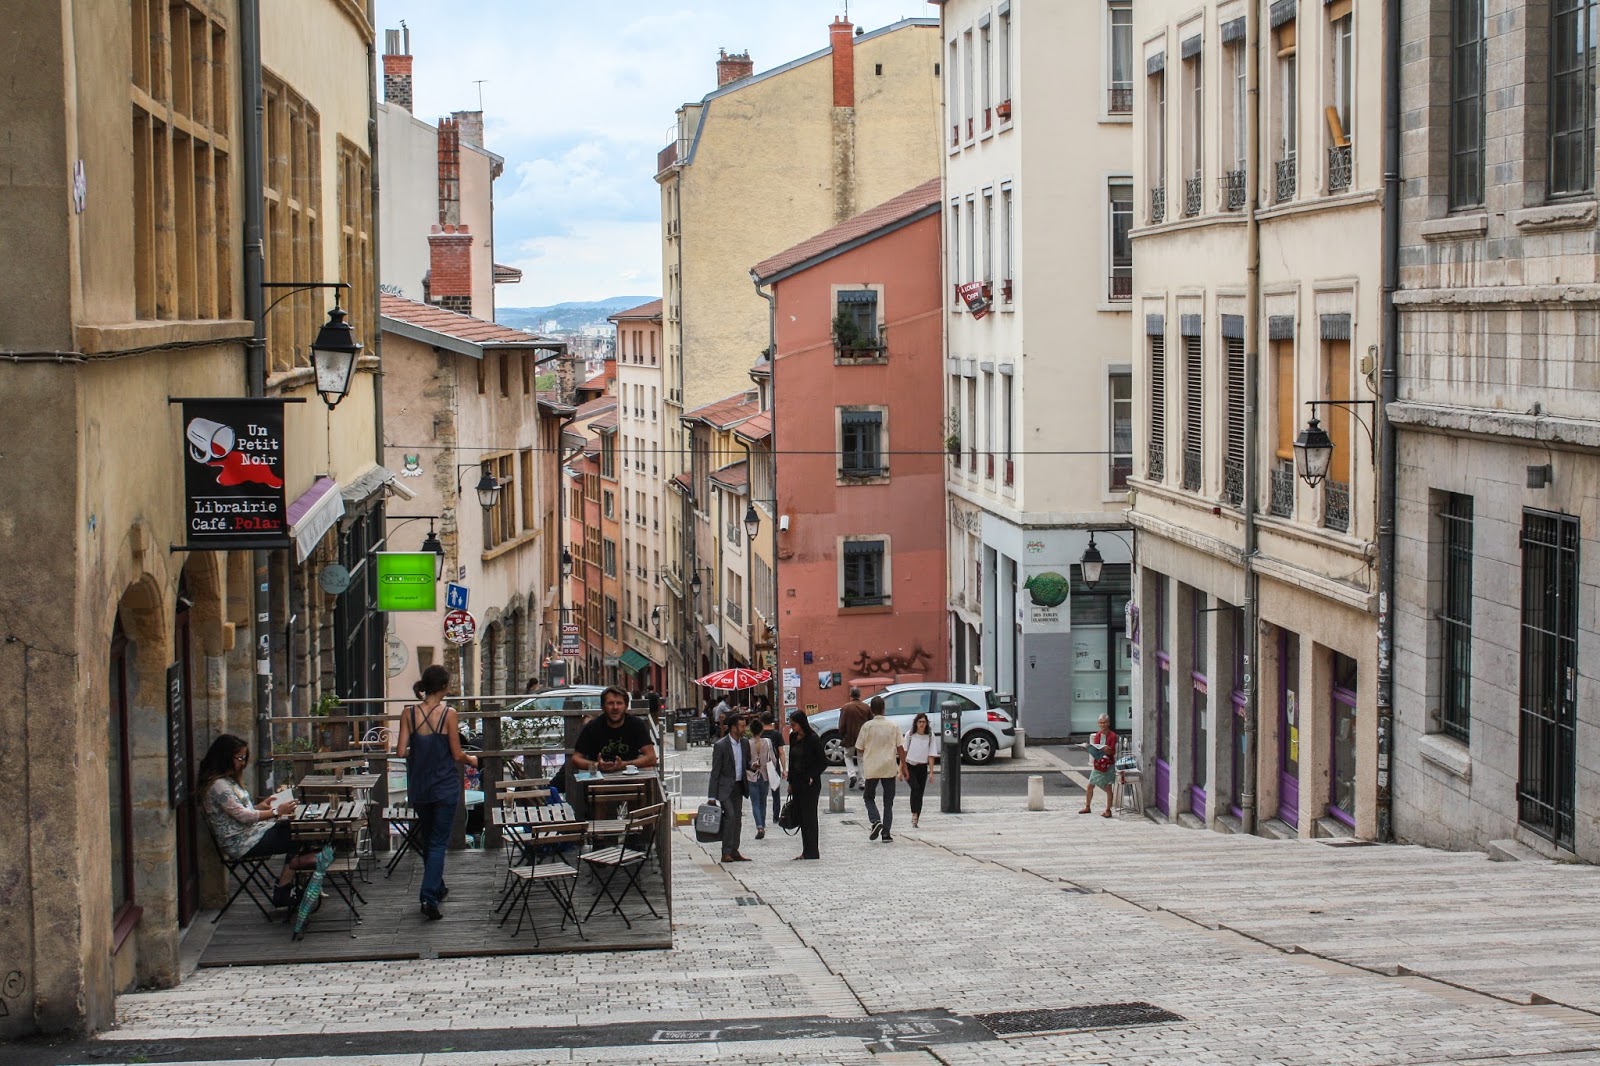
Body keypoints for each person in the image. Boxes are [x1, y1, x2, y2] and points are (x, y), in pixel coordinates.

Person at [198, 734, 318, 908]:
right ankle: (284, 890)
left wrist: (260, 807)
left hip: (250, 834)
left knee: (297, 832)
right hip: (241, 842)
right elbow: (243, 817)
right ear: (225, 757)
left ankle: (288, 887)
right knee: (297, 836)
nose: (243, 763)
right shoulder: (219, 786)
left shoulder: (226, 781)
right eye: (240, 758)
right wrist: (276, 811)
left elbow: (241, 812)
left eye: (244, 758)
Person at [397, 665, 479, 920]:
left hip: (420, 786)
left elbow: (400, 752)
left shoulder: (408, 713)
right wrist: (472, 759)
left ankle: (438, 886)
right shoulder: (449, 714)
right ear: (444, 687)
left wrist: (419, 753)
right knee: (438, 843)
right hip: (444, 785)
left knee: (430, 839)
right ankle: (428, 896)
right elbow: (456, 753)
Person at [570, 687, 658, 773]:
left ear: (626, 706)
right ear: (603, 706)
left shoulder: (636, 724)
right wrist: (597, 765)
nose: (615, 707)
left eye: (619, 703)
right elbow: (576, 759)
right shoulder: (593, 726)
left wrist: (624, 765)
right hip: (598, 781)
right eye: (610, 703)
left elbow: (651, 757)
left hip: (631, 779)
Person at [855, 695, 905, 842]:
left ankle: (876, 821)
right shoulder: (893, 725)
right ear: (884, 709)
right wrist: (904, 766)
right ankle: (886, 834)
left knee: (868, 796)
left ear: (871, 710)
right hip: (889, 766)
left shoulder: (867, 727)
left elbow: (859, 748)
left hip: (872, 767)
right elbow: (900, 747)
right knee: (888, 801)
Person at [708, 712, 751, 862]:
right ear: (733, 728)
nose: (744, 728)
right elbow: (715, 772)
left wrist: (753, 766)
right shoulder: (721, 746)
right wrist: (711, 796)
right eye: (742, 726)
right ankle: (725, 851)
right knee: (730, 816)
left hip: (739, 785)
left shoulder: (745, 743)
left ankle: (734, 850)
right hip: (724, 788)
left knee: (737, 818)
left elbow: (746, 763)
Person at [785, 710, 824, 860]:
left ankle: (812, 851)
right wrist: (790, 782)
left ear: (801, 724)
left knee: (810, 817)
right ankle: (805, 850)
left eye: (794, 725)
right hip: (797, 782)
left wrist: (812, 775)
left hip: (810, 784)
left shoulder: (813, 739)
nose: (792, 727)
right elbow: (791, 760)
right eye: (791, 724)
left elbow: (822, 761)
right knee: (801, 816)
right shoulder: (793, 737)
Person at [902, 711, 939, 829]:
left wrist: (932, 772)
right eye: (920, 722)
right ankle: (913, 812)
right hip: (910, 766)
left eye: (924, 722)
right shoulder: (910, 734)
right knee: (915, 788)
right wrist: (900, 769)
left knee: (920, 792)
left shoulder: (930, 736)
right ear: (916, 723)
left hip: (922, 767)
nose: (922, 724)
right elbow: (904, 752)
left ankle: (917, 817)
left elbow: (931, 754)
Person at [746, 717, 780, 840]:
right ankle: (763, 825)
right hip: (765, 774)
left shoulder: (748, 743)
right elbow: (773, 758)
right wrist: (772, 768)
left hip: (752, 775)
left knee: (755, 803)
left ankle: (759, 826)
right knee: (763, 801)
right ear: (761, 730)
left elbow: (746, 759)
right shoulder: (767, 742)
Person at [1082, 714, 1118, 818]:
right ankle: (1087, 806)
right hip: (1098, 763)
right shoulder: (1098, 735)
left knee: (1107, 787)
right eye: (1100, 723)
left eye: (1104, 722)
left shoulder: (1112, 735)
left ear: (1108, 723)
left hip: (1108, 764)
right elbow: (1096, 748)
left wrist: (1107, 750)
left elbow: (1112, 751)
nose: (1102, 725)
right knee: (1090, 785)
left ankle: (1108, 810)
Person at [837, 687, 871, 789]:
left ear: (851, 695)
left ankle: (852, 775)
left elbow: (842, 724)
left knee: (848, 756)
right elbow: (870, 722)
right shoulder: (866, 707)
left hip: (849, 737)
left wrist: (842, 734)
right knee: (861, 759)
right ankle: (863, 782)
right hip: (862, 737)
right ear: (859, 695)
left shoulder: (846, 707)